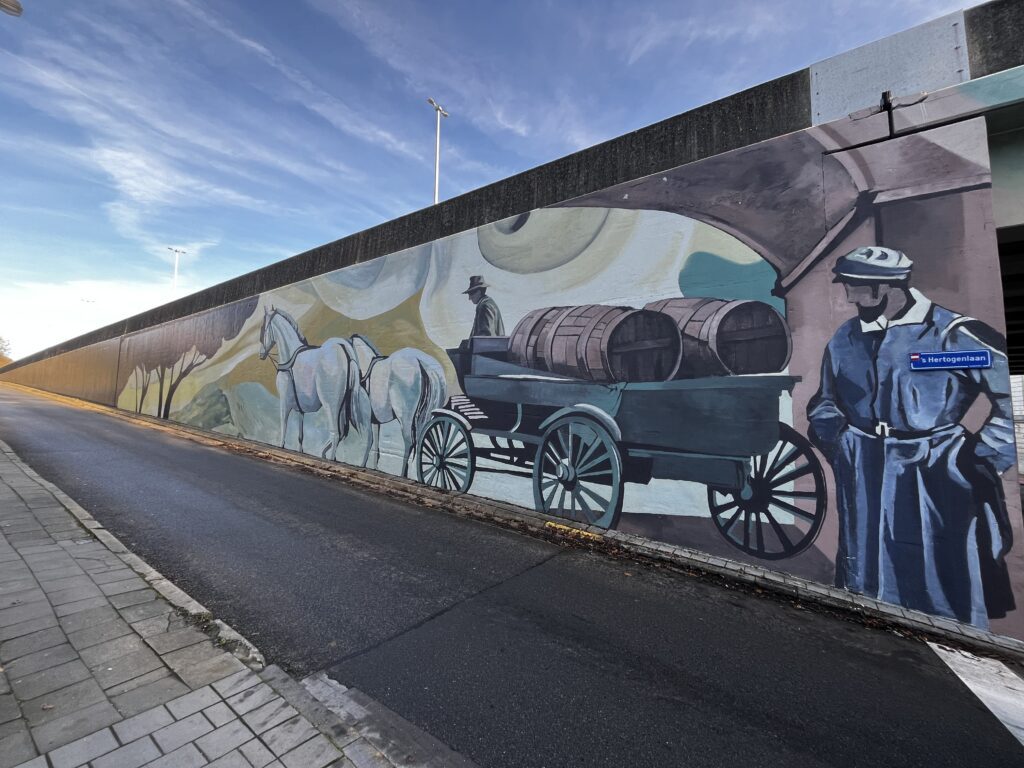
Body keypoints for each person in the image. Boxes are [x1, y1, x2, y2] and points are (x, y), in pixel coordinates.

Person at [807, 246, 1016, 629]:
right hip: (865, 468)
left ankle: (949, 634)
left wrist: (980, 459)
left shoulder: (953, 333)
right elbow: (824, 402)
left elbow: (1010, 400)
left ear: (885, 287)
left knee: (940, 569)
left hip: (936, 471)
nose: (848, 297)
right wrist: (840, 442)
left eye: (854, 287)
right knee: (865, 566)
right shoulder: (846, 337)